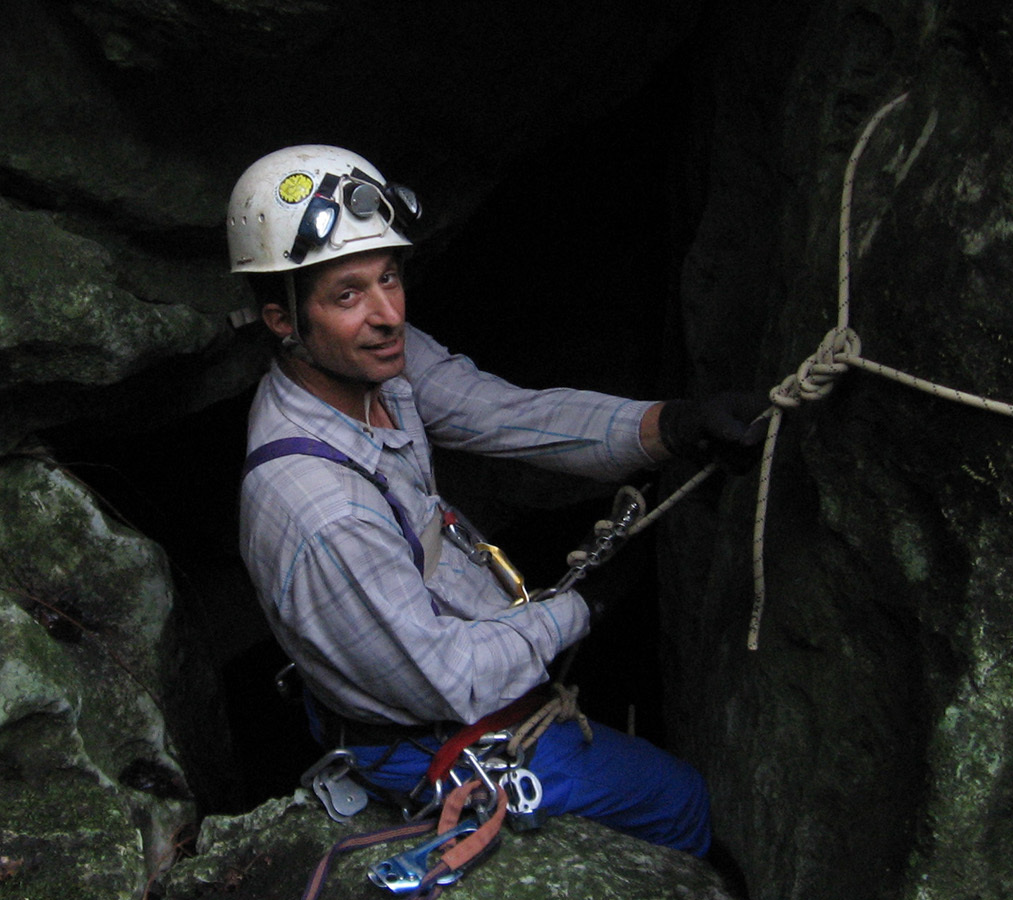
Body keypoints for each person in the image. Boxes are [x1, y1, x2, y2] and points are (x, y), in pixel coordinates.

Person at [229, 145, 764, 856]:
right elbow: (451, 679)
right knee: (680, 802)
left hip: (419, 654)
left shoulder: (372, 367)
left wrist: (673, 426)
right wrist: (583, 606)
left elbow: (507, 415)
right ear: (281, 319)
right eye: (347, 295)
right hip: (419, 736)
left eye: (389, 276)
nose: (388, 314)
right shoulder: (319, 511)